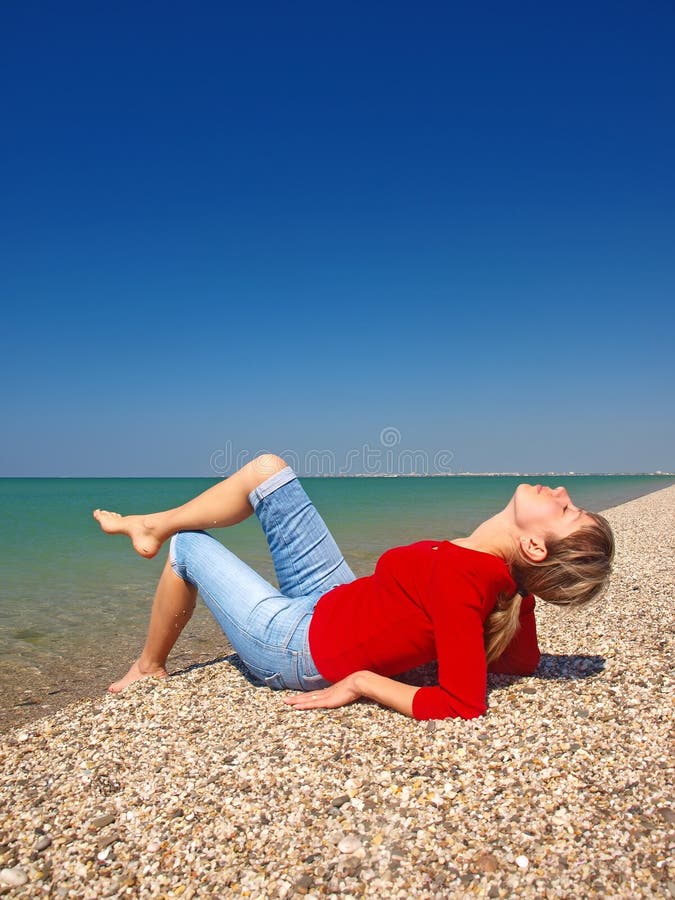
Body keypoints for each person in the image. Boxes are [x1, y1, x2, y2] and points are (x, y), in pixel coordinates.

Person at [93, 454, 614, 720]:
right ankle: (153, 523)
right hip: (336, 598)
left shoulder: (464, 581)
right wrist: (522, 594)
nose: (562, 492)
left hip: (295, 646)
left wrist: (363, 682)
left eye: (566, 510)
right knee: (267, 472)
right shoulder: (497, 581)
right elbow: (518, 664)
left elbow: (461, 702)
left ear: (536, 548)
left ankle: (148, 666)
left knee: (188, 548)